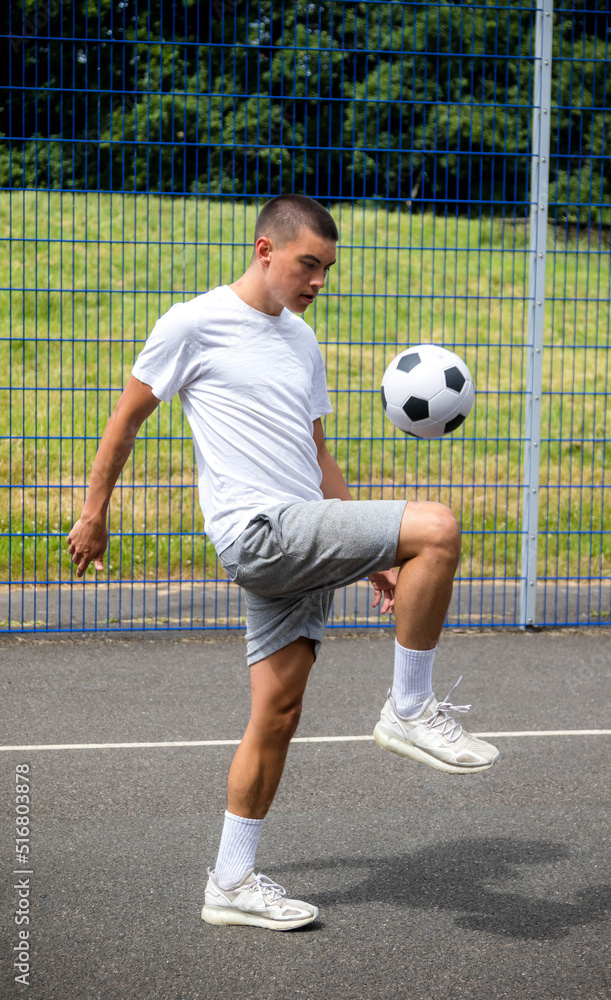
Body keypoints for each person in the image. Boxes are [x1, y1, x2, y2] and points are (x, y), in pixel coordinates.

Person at [67, 193, 499, 932]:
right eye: (308, 264)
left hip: (301, 532)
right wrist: (93, 511)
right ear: (265, 250)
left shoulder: (302, 341)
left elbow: (317, 455)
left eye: (327, 269)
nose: (318, 280)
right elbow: (125, 417)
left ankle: (229, 881)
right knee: (438, 526)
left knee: (277, 714)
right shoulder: (192, 322)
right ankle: (408, 708)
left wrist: (372, 560)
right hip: (260, 530)